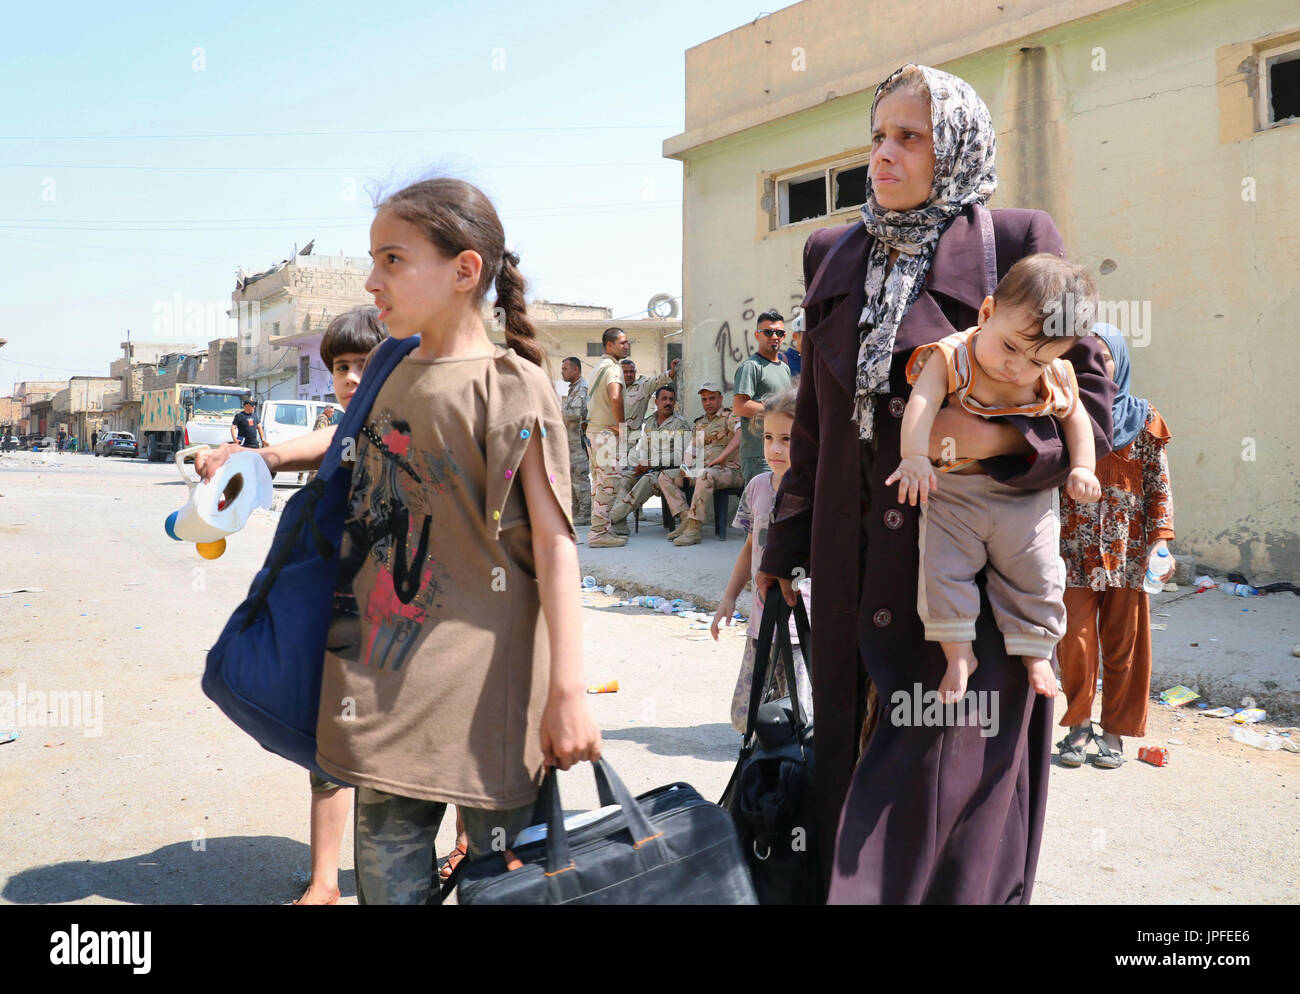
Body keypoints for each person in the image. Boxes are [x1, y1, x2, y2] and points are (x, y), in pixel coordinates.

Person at [756, 63, 1116, 904]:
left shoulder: (1016, 243)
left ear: (955, 147)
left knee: (951, 810)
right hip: (852, 578)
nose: (884, 155)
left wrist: (981, 441)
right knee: (853, 793)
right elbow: (813, 416)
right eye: (877, 136)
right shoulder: (832, 250)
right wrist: (784, 540)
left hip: (969, 581)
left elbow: (1092, 408)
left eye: (909, 138)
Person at [196, 176, 601, 906]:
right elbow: (343, 439)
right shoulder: (384, 368)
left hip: (492, 697)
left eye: (391, 259)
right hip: (377, 689)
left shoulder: (512, 385)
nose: (370, 280)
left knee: (506, 892)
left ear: (464, 270)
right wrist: (264, 457)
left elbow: (554, 543)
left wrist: (568, 690)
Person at [886, 254, 1103, 704]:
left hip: (1024, 498)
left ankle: (1036, 649)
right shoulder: (953, 355)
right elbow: (922, 403)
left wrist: (1083, 466)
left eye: (1037, 360)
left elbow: (1077, 420)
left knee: (1040, 572)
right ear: (986, 314)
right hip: (953, 494)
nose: (1018, 368)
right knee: (941, 570)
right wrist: (913, 456)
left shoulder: (1055, 376)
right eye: (1009, 348)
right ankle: (959, 653)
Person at [293, 305, 387, 906]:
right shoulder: (341, 427)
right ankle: (324, 883)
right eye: (341, 366)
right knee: (333, 750)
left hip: (414, 616)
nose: (352, 376)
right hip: (347, 613)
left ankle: (463, 844)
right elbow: (335, 440)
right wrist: (261, 458)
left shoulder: (412, 420)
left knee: (439, 745)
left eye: (364, 363)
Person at [1055, 323, 1175, 770]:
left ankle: (1117, 733)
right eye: (1086, 357)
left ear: (1120, 361)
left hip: (1128, 553)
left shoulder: (1145, 418)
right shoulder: (1066, 414)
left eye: (1105, 357)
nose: (1097, 366)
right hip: (1073, 552)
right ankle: (1077, 726)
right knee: (1076, 641)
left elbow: (1158, 487)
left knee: (1125, 645)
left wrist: (1161, 544)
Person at [711, 390, 812, 732]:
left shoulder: (817, 492)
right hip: (761, 623)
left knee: (802, 714)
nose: (775, 449)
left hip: (803, 628)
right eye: (769, 438)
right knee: (747, 714)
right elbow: (749, 547)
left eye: (787, 439)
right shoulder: (757, 487)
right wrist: (728, 597)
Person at [659, 382, 744, 547]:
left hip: (729, 471)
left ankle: (694, 530)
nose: (708, 403)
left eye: (712, 398)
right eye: (704, 399)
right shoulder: (701, 423)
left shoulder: (730, 416)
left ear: (720, 398)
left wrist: (722, 457)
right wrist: (684, 468)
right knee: (666, 476)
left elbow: (741, 434)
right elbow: (692, 450)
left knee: (705, 474)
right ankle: (685, 518)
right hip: (704, 471)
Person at [608, 385, 691, 533]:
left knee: (647, 479)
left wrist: (650, 463)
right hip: (649, 468)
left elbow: (679, 457)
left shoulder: (680, 424)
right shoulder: (650, 422)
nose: (668, 402)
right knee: (624, 478)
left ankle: (611, 519)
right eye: (664, 399)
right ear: (656, 402)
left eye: (671, 399)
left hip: (669, 473)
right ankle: (620, 525)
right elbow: (642, 448)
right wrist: (638, 463)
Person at [733, 310, 794, 484]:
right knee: (760, 507)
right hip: (758, 455)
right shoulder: (750, 367)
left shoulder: (784, 368)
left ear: (784, 336)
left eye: (779, 332)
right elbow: (739, 406)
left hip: (782, 452)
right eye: (768, 332)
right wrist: (774, 410)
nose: (774, 336)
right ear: (757, 335)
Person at [586, 327, 631, 548]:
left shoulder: (599, 367)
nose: (626, 346)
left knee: (600, 483)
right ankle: (598, 533)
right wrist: (622, 426)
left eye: (627, 342)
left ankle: (601, 529)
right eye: (622, 342)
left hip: (594, 433)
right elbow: (615, 396)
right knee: (610, 482)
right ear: (609, 345)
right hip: (605, 433)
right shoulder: (613, 368)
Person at [560, 356, 591, 527]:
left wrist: (558, 414)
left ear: (576, 370)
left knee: (580, 477)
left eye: (565, 368)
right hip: (570, 443)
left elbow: (574, 414)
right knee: (572, 479)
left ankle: (586, 513)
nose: (562, 372)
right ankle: (576, 511)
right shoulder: (574, 389)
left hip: (579, 442)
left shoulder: (582, 388)